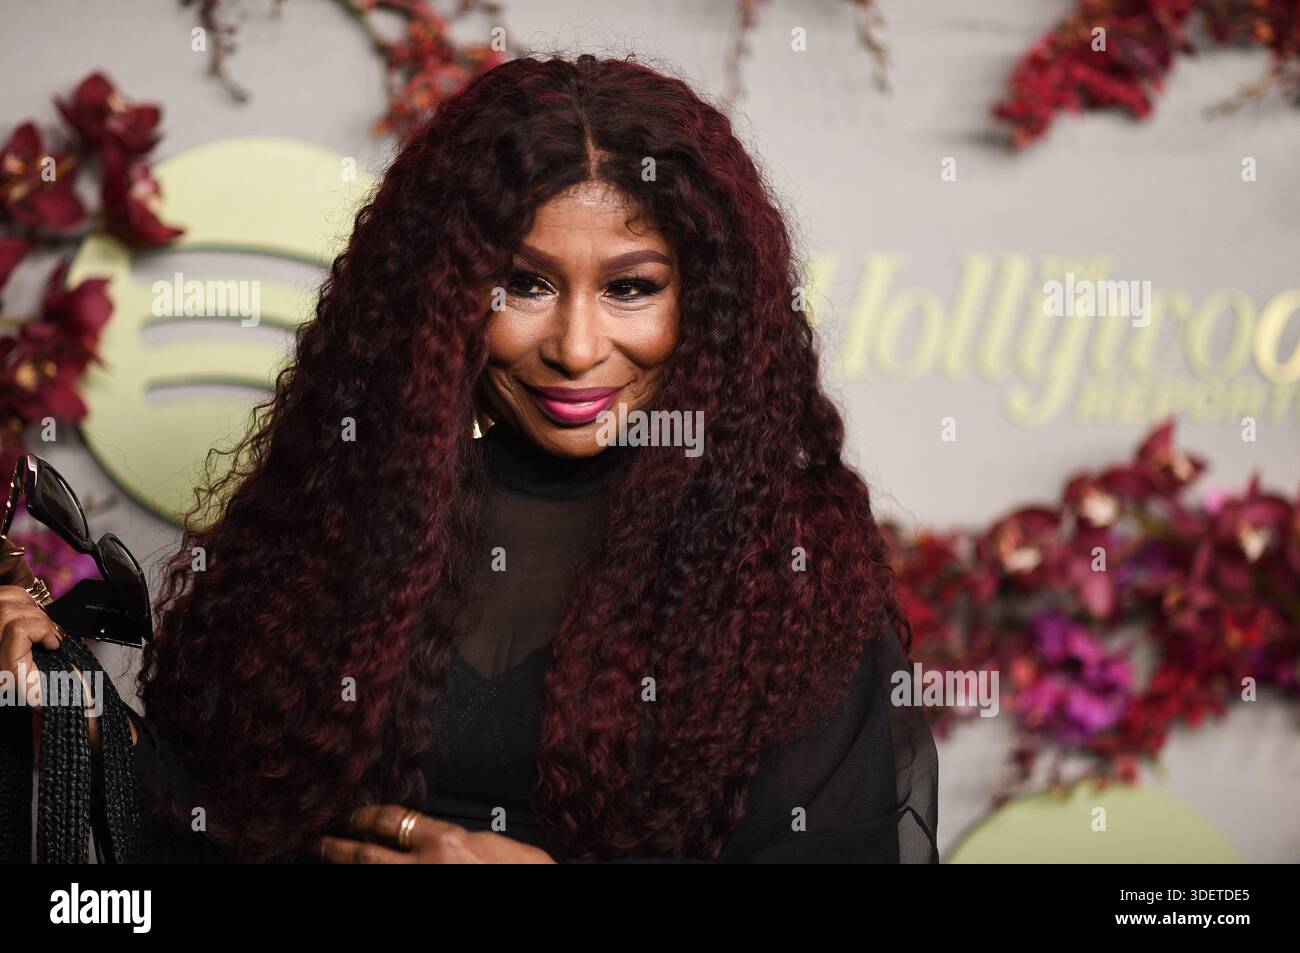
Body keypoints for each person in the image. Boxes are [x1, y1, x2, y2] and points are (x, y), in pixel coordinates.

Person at [0, 53, 938, 864]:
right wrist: (81, 719)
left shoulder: (786, 578)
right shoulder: (347, 521)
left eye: (630, 288)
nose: (575, 347)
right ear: (443, 295)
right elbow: (218, 834)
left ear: (706, 304)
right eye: (522, 284)